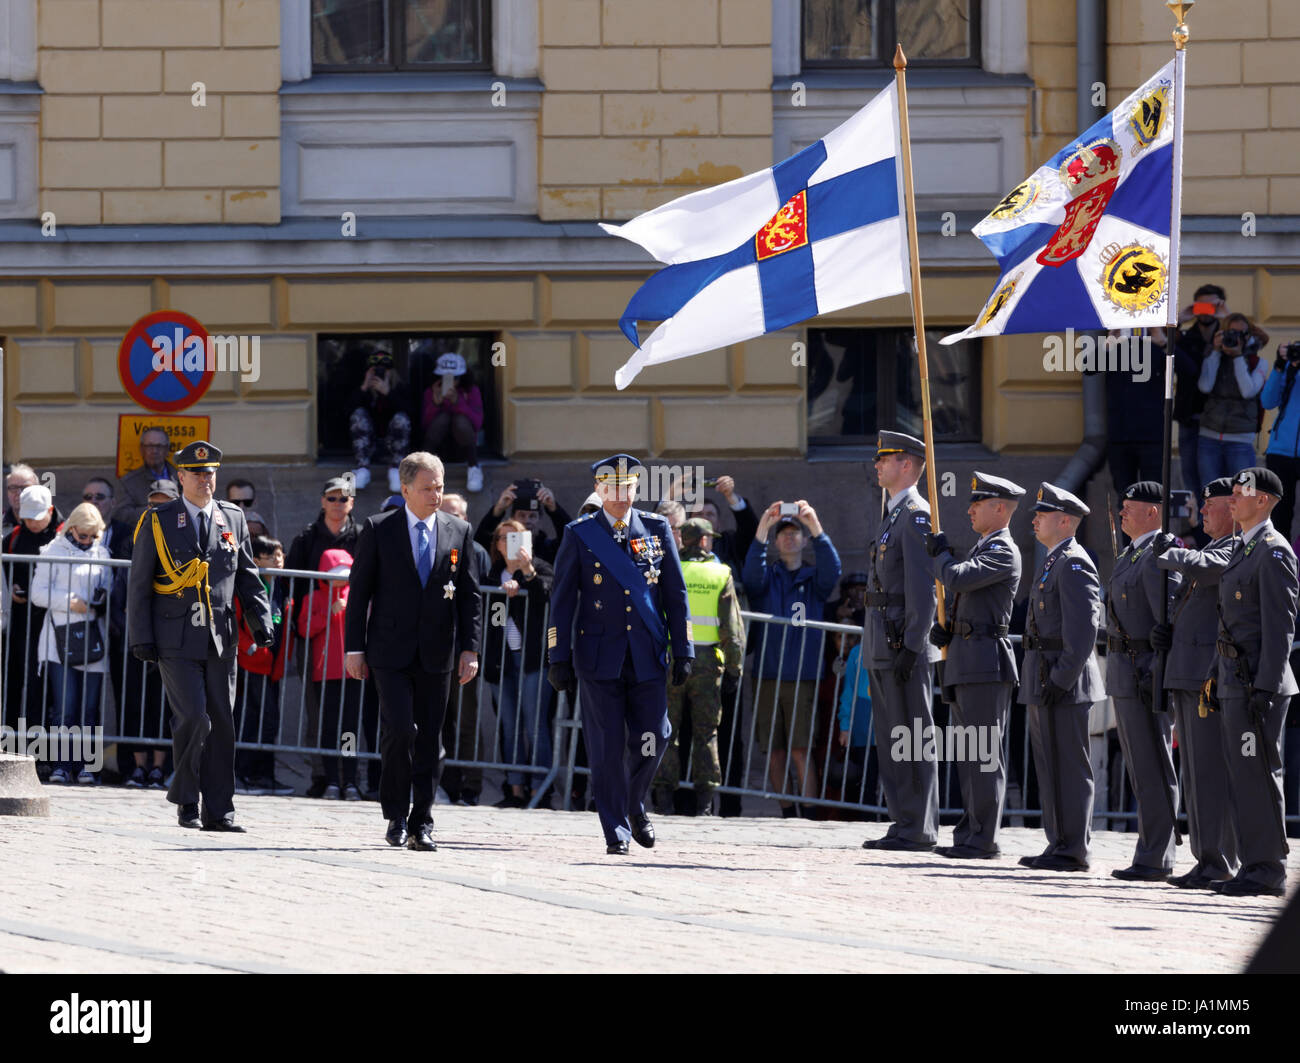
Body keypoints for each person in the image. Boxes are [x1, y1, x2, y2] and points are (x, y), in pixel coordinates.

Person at [547, 454, 693, 855]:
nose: (621, 496)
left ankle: (632, 802)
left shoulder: (657, 529)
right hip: (599, 657)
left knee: (655, 735)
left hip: (646, 653)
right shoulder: (580, 534)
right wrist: (557, 655)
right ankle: (616, 828)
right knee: (608, 745)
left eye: (627, 488)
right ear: (598, 490)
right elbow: (560, 602)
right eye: (611, 488)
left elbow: (675, 596)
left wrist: (684, 649)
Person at [126, 441, 273, 831]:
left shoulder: (232, 518)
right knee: (193, 717)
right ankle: (187, 799)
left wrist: (260, 618)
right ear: (181, 476)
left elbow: (246, 573)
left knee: (222, 723)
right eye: (196, 473)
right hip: (174, 637)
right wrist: (140, 636)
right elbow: (139, 583)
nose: (205, 479)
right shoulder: (158, 520)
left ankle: (220, 810)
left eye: (210, 473)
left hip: (221, 636)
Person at [344, 452, 482, 851]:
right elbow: (360, 595)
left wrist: (470, 648)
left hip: (438, 652)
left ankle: (422, 820)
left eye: (439, 486)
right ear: (405, 490)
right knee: (400, 730)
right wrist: (355, 648)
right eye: (427, 488)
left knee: (430, 740)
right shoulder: (379, 528)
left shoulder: (459, 530)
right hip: (389, 651)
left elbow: (470, 597)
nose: (435, 495)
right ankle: (395, 814)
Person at [1199, 467, 1296, 897]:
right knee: (1242, 773)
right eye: (1233, 493)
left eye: (1241, 494)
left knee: (1257, 772)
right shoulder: (1244, 548)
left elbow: (1281, 628)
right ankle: (1251, 864)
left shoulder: (1273, 552)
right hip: (1235, 684)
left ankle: (1267, 868)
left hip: (1257, 687)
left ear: (1264, 501)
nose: (1233, 499)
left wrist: (1266, 686)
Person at [924, 471, 1025, 859]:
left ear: (1000, 509)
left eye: (977, 504)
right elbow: (963, 597)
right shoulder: (985, 546)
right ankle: (970, 832)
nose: (969, 510)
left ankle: (984, 838)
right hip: (967, 659)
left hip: (986, 663)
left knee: (983, 755)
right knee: (968, 755)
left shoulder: (1003, 550)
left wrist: (942, 555)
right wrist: (946, 628)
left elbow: (959, 579)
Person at [1150, 478, 1241, 889]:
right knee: (1195, 774)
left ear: (1232, 507)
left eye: (1210, 506)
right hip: (1186, 670)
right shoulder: (1206, 548)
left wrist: (1173, 553)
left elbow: (1208, 572)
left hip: (1206, 674)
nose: (1201, 512)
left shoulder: (1232, 547)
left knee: (1208, 772)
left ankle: (1218, 858)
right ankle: (1206, 857)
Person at [1018, 483, 1105, 873]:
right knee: (1049, 766)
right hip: (1044, 677)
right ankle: (1058, 842)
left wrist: (1062, 677)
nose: (1034, 518)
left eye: (1043, 513)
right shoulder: (1054, 559)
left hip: (1063, 682)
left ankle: (1074, 848)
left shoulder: (1073, 561)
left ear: (1065, 520)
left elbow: (1084, 629)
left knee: (1070, 765)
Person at [860, 430, 939, 850]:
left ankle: (919, 824)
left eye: (884, 459)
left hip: (901, 643)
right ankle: (904, 819)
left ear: (906, 464)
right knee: (893, 734)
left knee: (912, 733)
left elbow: (923, 588)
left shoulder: (916, 514)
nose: (877, 465)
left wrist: (914, 642)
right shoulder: (892, 511)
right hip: (883, 638)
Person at [1104, 481, 1181, 881]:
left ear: (1152, 512)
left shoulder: (1158, 555)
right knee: (1140, 768)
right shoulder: (1132, 554)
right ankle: (1148, 849)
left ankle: (1157, 855)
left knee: (1154, 766)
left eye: (1129, 507)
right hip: (1125, 671)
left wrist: (1156, 674)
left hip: (1144, 673)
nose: (1121, 513)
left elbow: (1166, 620)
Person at [743, 500, 840, 817]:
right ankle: (787, 811)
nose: (788, 538)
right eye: (782, 533)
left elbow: (833, 570)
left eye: (795, 533)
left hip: (802, 675)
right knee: (774, 750)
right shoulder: (768, 577)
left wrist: (815, 525)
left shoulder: (814, 581)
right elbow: (750, 577)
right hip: (768, 673)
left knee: (801, 749)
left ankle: (810, 813)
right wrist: (762, 528)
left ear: (803, 540)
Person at [654, 518, 745, 817]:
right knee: (706, 733)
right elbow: (731, 629)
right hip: (706, 662)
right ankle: (705, 801)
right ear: (705, 541)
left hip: (670, 658)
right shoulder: (720, 574)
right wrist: (735, 667)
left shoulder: (668, 569)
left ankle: (664, 797)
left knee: (668, 729)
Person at [286, 476, 362, 798]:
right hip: (314, 638)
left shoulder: (361, 536)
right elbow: (291, 585)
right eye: (331, 498)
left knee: (351, 719)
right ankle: (324, 776)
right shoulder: (306, 538)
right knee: (320, 715)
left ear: (351, 503)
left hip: (353, 640)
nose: (337, 504)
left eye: (343, 499)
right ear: (322, 501)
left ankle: (351, 777)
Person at [30, 503, 113, 784]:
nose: (88, 541)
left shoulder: (103, 553)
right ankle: (62, 765)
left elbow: (109, 590)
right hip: (59, 639)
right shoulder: (53, 550)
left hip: (93, 638)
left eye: (92, 536)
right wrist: (69, 602)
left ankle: (88, 765)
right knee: (65, 707)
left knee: (90, 708)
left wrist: (99, 600)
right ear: (72, 528)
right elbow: (37, 594)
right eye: (83, 535)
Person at [483, 518, 554, 808]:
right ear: (497, 545)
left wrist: (528, 572)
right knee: (509, 725)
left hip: (534, 659)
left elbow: (545, 598)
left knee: (535, 724)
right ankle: (514, 790)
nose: (509, 542)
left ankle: (540, 790)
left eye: (517, 537)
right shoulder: (492, 575)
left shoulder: (541, 567)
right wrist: (506, 594)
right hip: (501, 661)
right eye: (504, 538)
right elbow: (492, 618)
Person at [438, 491, 491, 805]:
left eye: (457, 513)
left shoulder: (477, 551)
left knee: (468, 719)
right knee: (438, 719)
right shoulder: (432, 546)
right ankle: (444, 782)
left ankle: (470, 786)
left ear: (466, 518)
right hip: (435, 647)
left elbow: (479, 602)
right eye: (447, 512)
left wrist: (472, 648)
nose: (452, 519)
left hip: (464, 649)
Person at [234, 535, 296, 797]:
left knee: (269, 720)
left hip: (273, 664)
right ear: (256, 560)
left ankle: (264, 774)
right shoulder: (249, 586)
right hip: (253, 662)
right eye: (271, 556)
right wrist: (249, 647)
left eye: (280, 555)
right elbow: (235, 622)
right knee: (251, 719)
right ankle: (242, 773)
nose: (277, 560)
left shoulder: (282, 585)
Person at [300, 548, 364, 800]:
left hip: (354, 671)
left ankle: (349, 780)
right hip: (325, 674)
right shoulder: (314, 597)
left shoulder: (358, 595)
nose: (341, 578)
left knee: (349, 729)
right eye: (335, 574)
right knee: (328, 727)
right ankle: (332, 781)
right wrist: (329, 611)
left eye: (345, 574)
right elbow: (305, 629)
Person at [4, 484, 62, 735]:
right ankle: (14, 742)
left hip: (55, 621)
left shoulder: (64, 535)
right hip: (22, 621)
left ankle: (49, 750)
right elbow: (7, 572)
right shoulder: (13, 538)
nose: (33, 523)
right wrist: (14, 591)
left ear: (50, 510)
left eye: (37, 518)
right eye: (27, 518)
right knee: (19, 680)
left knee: (52, 685)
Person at [1197, 312, 1269, 483]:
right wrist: (1215, 352)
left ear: (1248, 336)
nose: (1235, 338)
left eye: (1241, 333)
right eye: (1231, 333)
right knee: (1210, 497)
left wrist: (1238, 357)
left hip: (1241, 439)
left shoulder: (1257, 362)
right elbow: (1205, 386)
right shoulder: (1214, 355)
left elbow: (1248, 391)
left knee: (1243, 497)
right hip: (1209, 437)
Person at [348, 350, 412, 494]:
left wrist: (388, 393)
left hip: (394, 448)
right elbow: (346, 413)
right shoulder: (362, 391)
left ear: (393, 372)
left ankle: (396, 471)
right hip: (369, 446)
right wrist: (364, 387)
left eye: (385, 370)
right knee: (358, 414)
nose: (380, 374)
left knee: (401, 418)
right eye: (375, 371)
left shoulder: (401, 389)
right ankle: (362, 469)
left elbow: (411, 414)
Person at [421, 352, 485, 493]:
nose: (451, 381)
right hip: (437, 449)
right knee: (443, 417)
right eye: (445, 378)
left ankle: (474, 468)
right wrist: (435, 404)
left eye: (454, 378)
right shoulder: (430, 392)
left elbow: (477, 423)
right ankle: (423, 468)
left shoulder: (471, 391)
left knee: (459, 419)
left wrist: (458, 402)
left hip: (464, 448)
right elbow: (424, 425)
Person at [475, 478, 572, 566]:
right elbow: (479, 544)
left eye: (532, 516)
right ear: (512, 519)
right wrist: (498, 510)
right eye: (521, 515)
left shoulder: (548, 548)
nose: (527, 520)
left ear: (539, 519)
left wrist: (553, 508)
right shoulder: (501, 548)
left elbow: (572, 539)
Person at [1260, 340, 1300, 539]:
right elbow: (1268, 401)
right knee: (1279, 515)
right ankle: (1277, 562)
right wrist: (1279, 366)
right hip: (1280, 452)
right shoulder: (1289, 368)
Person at [113, 426, 177, 529]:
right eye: (149, 446)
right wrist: (154, 509)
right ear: (142, 449)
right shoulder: (129, 482)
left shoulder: (182, 477)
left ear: (167, 449)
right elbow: (120, 514)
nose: (154, 451)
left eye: (159, 446)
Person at [4, 463, 39, 535]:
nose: (19, 493)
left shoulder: (53, 526)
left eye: (26, 487)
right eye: (13, 487)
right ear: (7, 492)